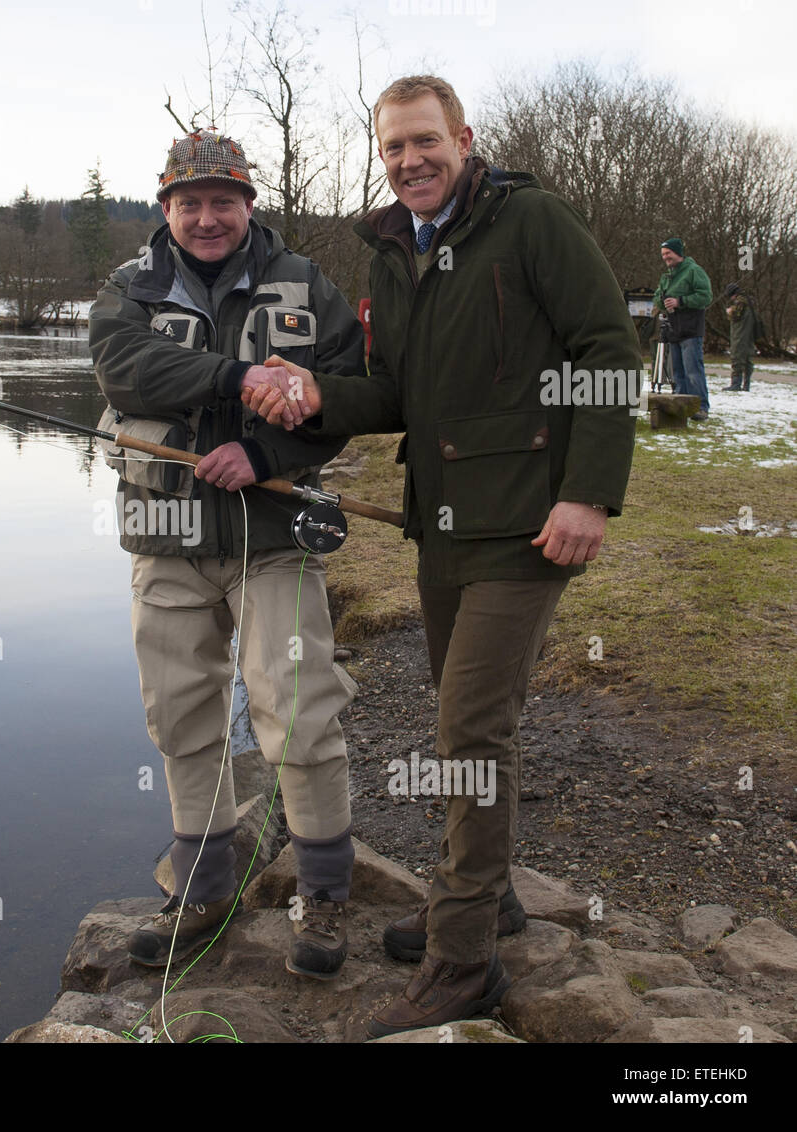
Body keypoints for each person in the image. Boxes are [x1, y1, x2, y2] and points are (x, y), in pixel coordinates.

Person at [243, 75, 639, 1035]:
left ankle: (465, 962)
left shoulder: (531, 221)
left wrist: (589, 493)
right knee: (463, 722)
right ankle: (488, 895)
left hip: (529, 524)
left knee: (469, 730)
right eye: (392, 148)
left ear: (463, 138)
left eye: (426, 141)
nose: (410, 161)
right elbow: (393, 396)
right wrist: (316, 394)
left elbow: (608, 347)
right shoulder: (393, 252)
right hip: (442, 527)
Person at [87, 130, 368, 980]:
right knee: (179, 714)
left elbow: (346, 393)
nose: (207, 218)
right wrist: (236, 380)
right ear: (165, 209)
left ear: (249, 205)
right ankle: (202, 890)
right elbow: (122, 367)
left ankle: (322, 895)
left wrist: (269, 458)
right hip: (165, 539)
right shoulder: (126, 291)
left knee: (298, 707)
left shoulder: (308, 287)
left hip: (275, 539)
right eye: (189, 203)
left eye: (223, 201)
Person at [651, 236, 713, 420]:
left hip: (691, 329)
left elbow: (705, 296)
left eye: (668, 253)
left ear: (678, 253)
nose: (665, 257)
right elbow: (656, 298)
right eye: (663, 254)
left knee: (693, 370)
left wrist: (680, 301)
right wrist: (664, 303)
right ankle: (680, 406)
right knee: (677, 372)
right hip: (674, 330)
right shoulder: (666, 277)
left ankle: (700, 406)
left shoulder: (694, 271)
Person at [723, 282, 758, 391]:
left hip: (740, 335)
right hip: (748, 335)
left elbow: (735, 315)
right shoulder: (749, 301)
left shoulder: (740, 302)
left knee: (737, 357)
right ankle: (746, 385)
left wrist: (729, 311)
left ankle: (736, 384)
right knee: (748, 359)